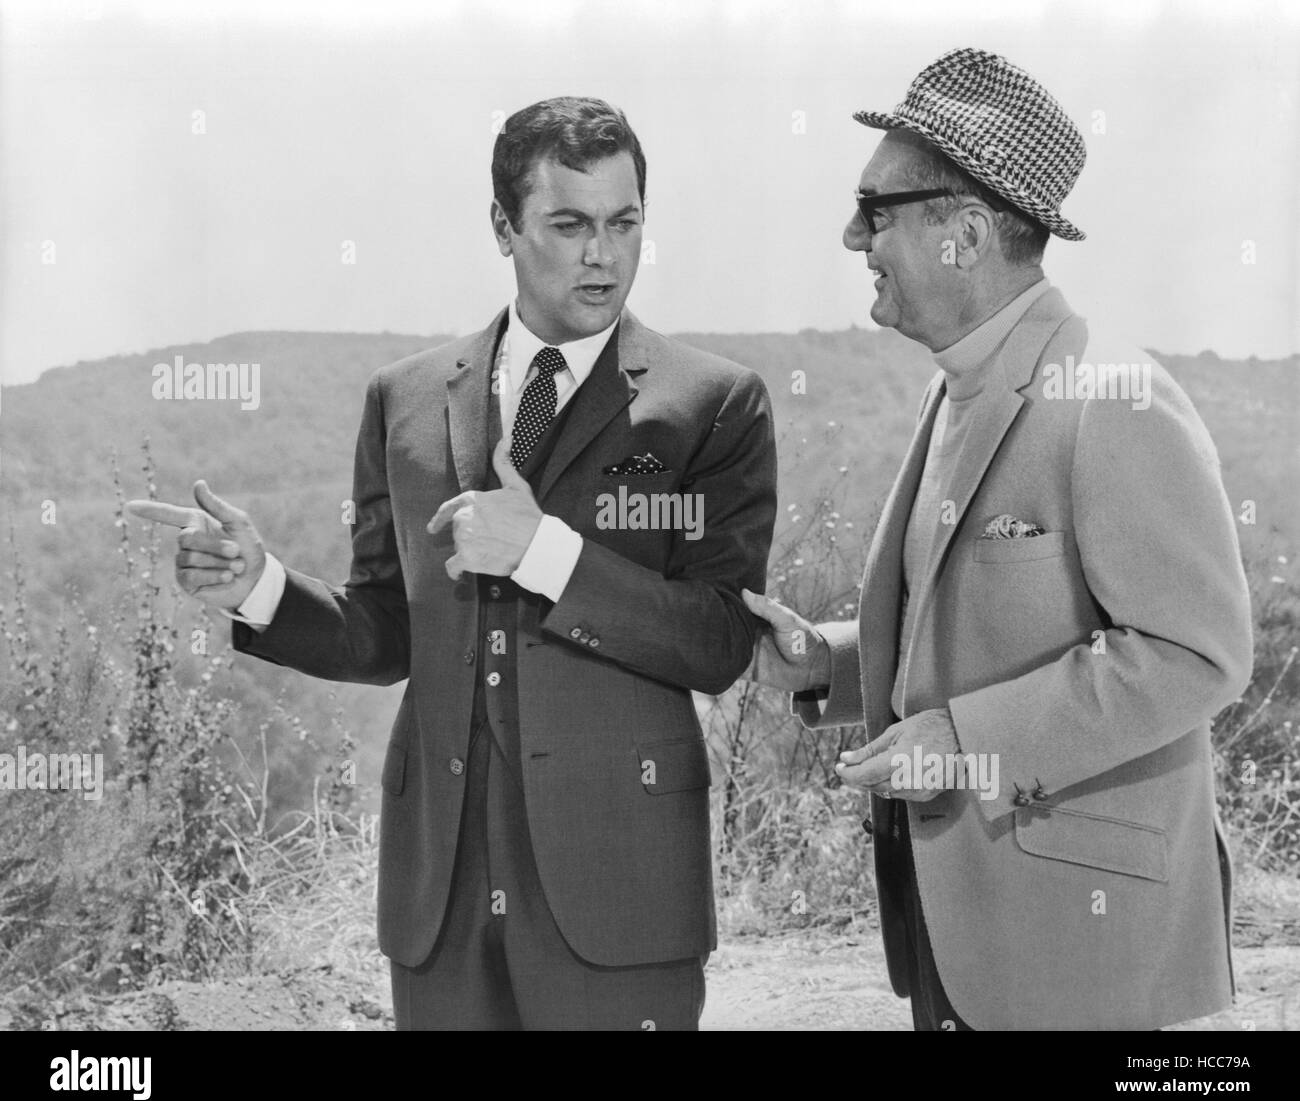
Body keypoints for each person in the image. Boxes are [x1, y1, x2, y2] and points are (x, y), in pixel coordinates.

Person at [128, 96, 777, 1030]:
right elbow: (388, 629)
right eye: (569, 224)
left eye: (625, 223)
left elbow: (718, 641)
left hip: (620, 887)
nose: (604, 254)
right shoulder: (405, 398)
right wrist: (261, 588)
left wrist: (548, 554)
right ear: (503, 227)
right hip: (439, 892)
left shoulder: (713, 404)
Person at [744, 48, 1252, 1031]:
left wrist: (965, 746)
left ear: (964, 233)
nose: (855, 235)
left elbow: (1198, 654)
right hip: (958, 938)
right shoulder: (959, 388)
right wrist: (829, 660)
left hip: (1082, 960)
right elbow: (978, 626)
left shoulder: (1112, 397)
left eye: (876, 208)